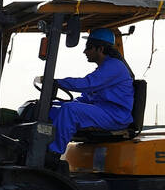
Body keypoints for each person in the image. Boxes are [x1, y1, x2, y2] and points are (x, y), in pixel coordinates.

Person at [33, 28, 134, 163]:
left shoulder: (115, 66)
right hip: (103, 111)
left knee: (70, 110)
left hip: (115, 116)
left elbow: (86, 84)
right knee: (52, 108)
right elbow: (87, 96)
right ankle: (36, 147)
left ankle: (51, 155)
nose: (84, 52)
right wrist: (61, 103)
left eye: (88, 47)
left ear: (100, 48)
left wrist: (56, 82)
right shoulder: (103, 69)